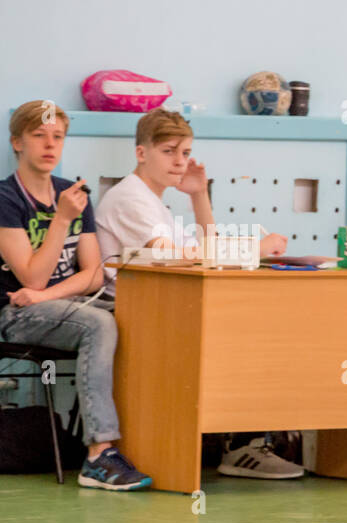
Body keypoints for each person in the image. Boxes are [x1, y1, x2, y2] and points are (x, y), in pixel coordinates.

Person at [95, 107, 302, 479]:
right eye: (169, 151)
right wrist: (253, 248)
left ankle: (245, 443)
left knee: (262, 327)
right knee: (245, 334)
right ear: (142, 153)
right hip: (137, 311)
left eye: (186, 153)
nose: (180, 161)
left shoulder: (157, 203)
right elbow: (177, 260)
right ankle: (241, 447)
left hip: (167, 306)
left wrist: (198, 196)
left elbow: (204, 252)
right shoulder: (130, 199)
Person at [0, 100, 150, 490]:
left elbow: (94, 273)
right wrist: (61, 220)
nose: (50, 145)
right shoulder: (5, 200)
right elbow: (31, 277)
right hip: (16, 315)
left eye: (58, 137)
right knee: (99, 324)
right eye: (39, 136)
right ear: (17, 142)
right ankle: (100, 454)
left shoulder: (72, 193)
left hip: (53, 304)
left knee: (148, 315)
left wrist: (46, 296)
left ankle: (158, 441)